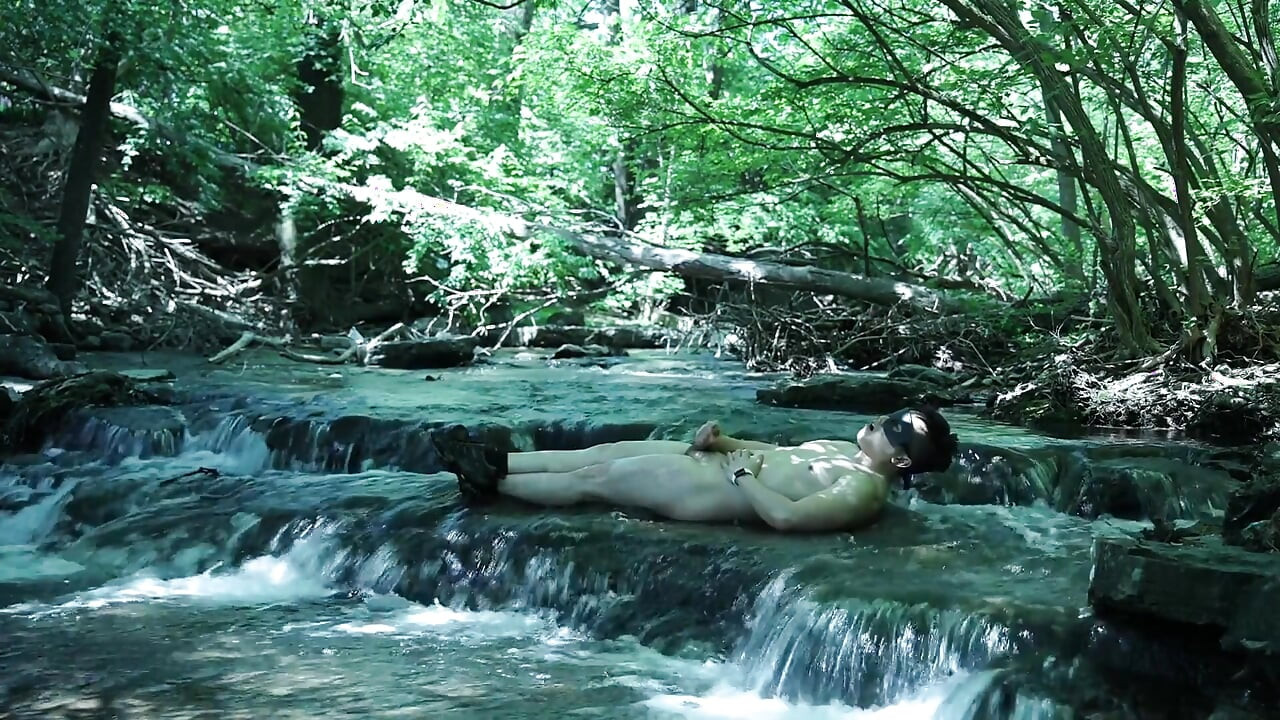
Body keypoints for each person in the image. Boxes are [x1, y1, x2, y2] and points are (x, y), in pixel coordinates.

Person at [433, 405, 958, 533]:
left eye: (894, 429)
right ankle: (493, 458)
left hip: (707, 489)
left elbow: (788, 518)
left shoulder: (863, 491)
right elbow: (774, 451)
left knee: (595, 481)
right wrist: (723, 442)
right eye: (890, 416)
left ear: (901, 460)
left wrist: (741, 477)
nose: (880, 422)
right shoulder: (840, 449)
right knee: (602, 453)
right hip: (711, 464)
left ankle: (491, 481)